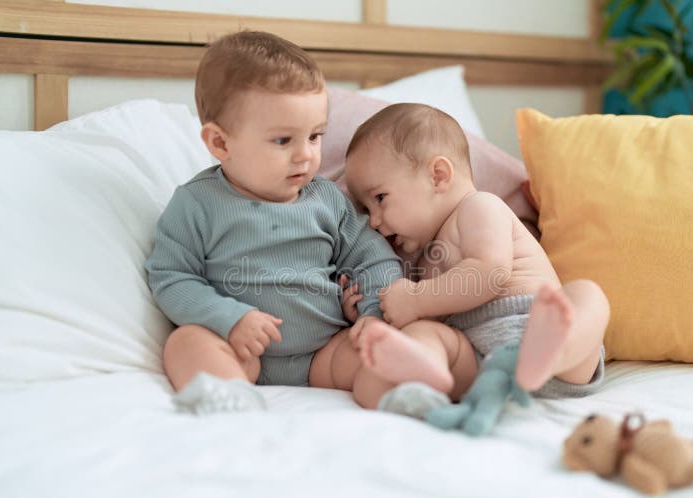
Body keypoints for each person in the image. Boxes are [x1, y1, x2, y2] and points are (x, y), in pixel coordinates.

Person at [145, 31, 479, 414]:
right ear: (221, 143)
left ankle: (400, 397)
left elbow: (374, 261)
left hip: (326, 351)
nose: (305, 155)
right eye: (283, 141)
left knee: (379, 353)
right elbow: (171, 277)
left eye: (316, 136)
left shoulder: (329, 200)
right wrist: (228, 317)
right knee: (186, 342)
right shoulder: (196, 204)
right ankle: (228, 396)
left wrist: (372, 317)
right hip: (239, 348)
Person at [343, 103, 610, 402]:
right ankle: (422, 376)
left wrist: (416, 299)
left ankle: (558, 347)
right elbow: (429, 309)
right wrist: (376, 317)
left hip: (538, 331)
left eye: (380, 198)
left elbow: (490, 274)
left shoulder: (480, 206)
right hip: (483, 365)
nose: (374, 221)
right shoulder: (425, 257)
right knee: (425, 335)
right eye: (366, 209)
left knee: (587, 294)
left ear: (439, 176)